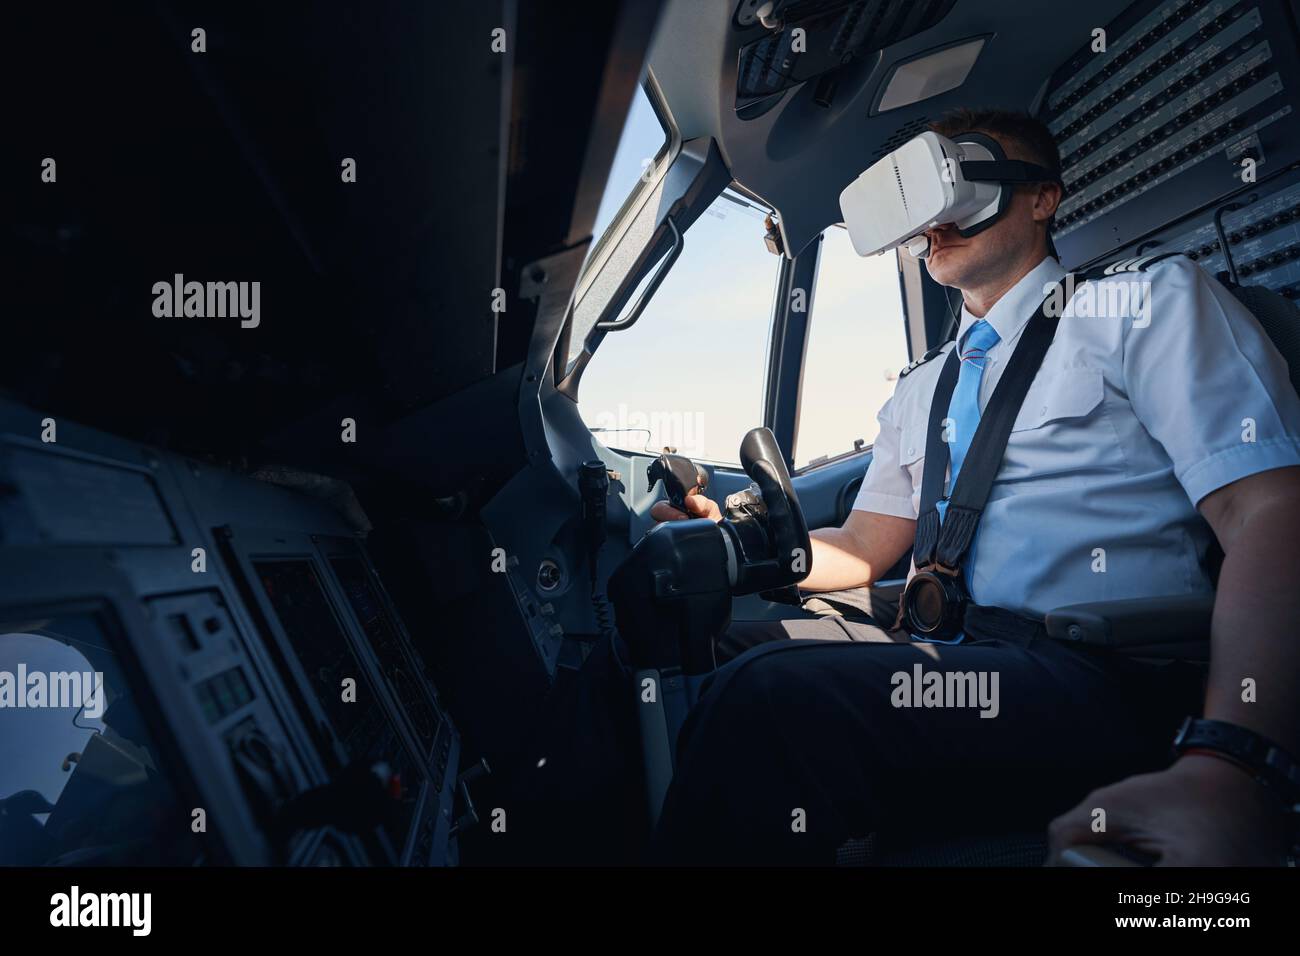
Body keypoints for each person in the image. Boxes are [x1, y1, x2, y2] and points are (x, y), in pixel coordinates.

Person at [647, 108, 1300, 865]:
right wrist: (746, 545)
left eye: (965, 188)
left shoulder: (1142, 308)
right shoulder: (921, 386)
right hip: (944, 643)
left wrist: (1233, 761)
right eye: (927, 205)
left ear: (1043, 198)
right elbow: (863, 549)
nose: (939, 223)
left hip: (1090, 672)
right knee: (718, 644)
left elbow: (1270, 508)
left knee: (769, 702)